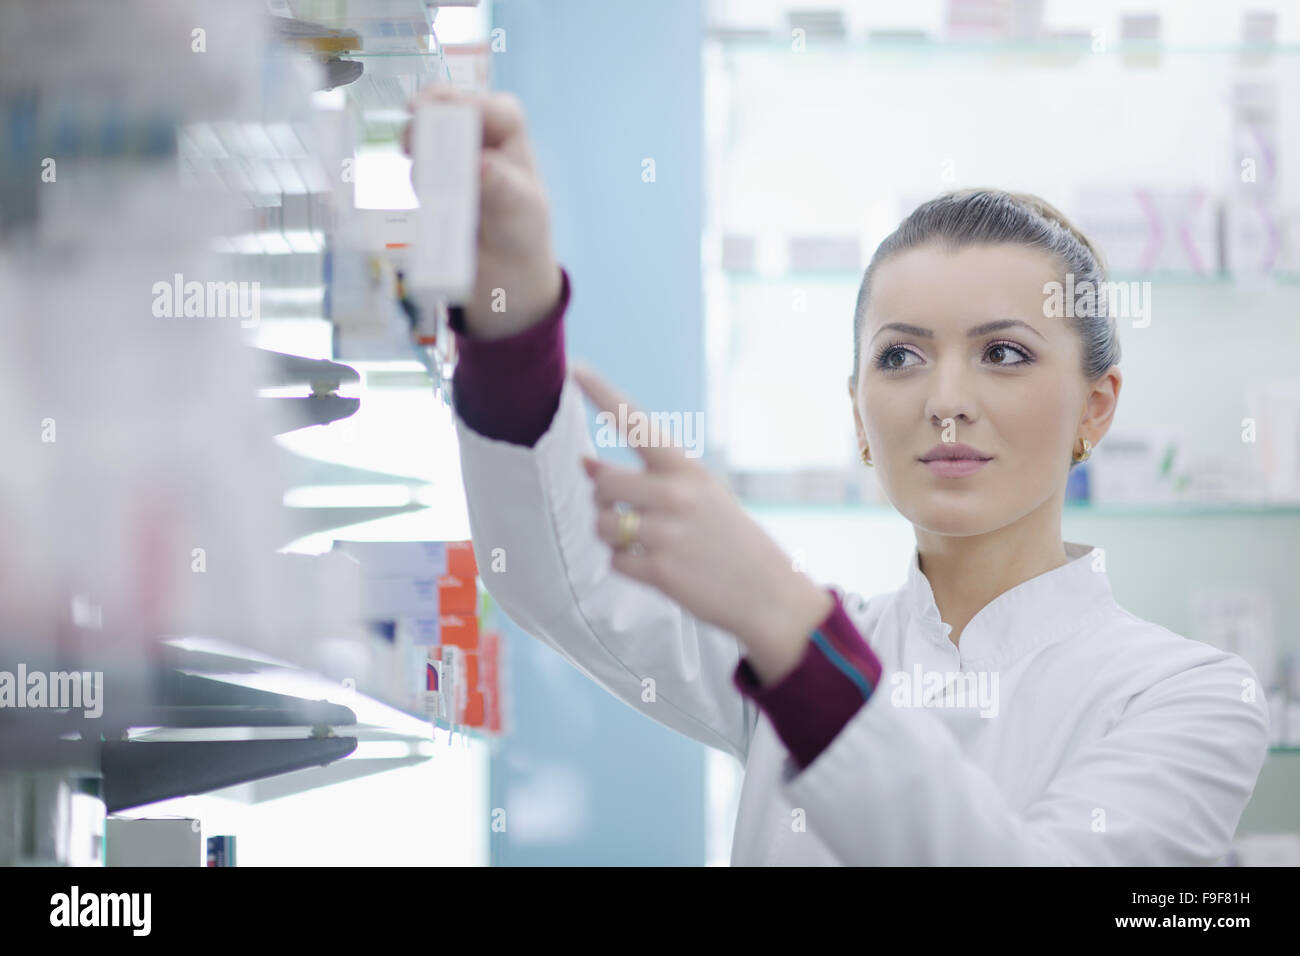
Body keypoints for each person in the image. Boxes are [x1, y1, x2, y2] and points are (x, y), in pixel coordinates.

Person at [406, 85, 1270, 866]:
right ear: (859, 415)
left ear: (1096, 408)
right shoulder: (794, 646)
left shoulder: (1185, 695)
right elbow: (561, 579)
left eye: (1004, 353)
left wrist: (786, 623)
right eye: (901, 357)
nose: (947, 402)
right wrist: (512, 304)